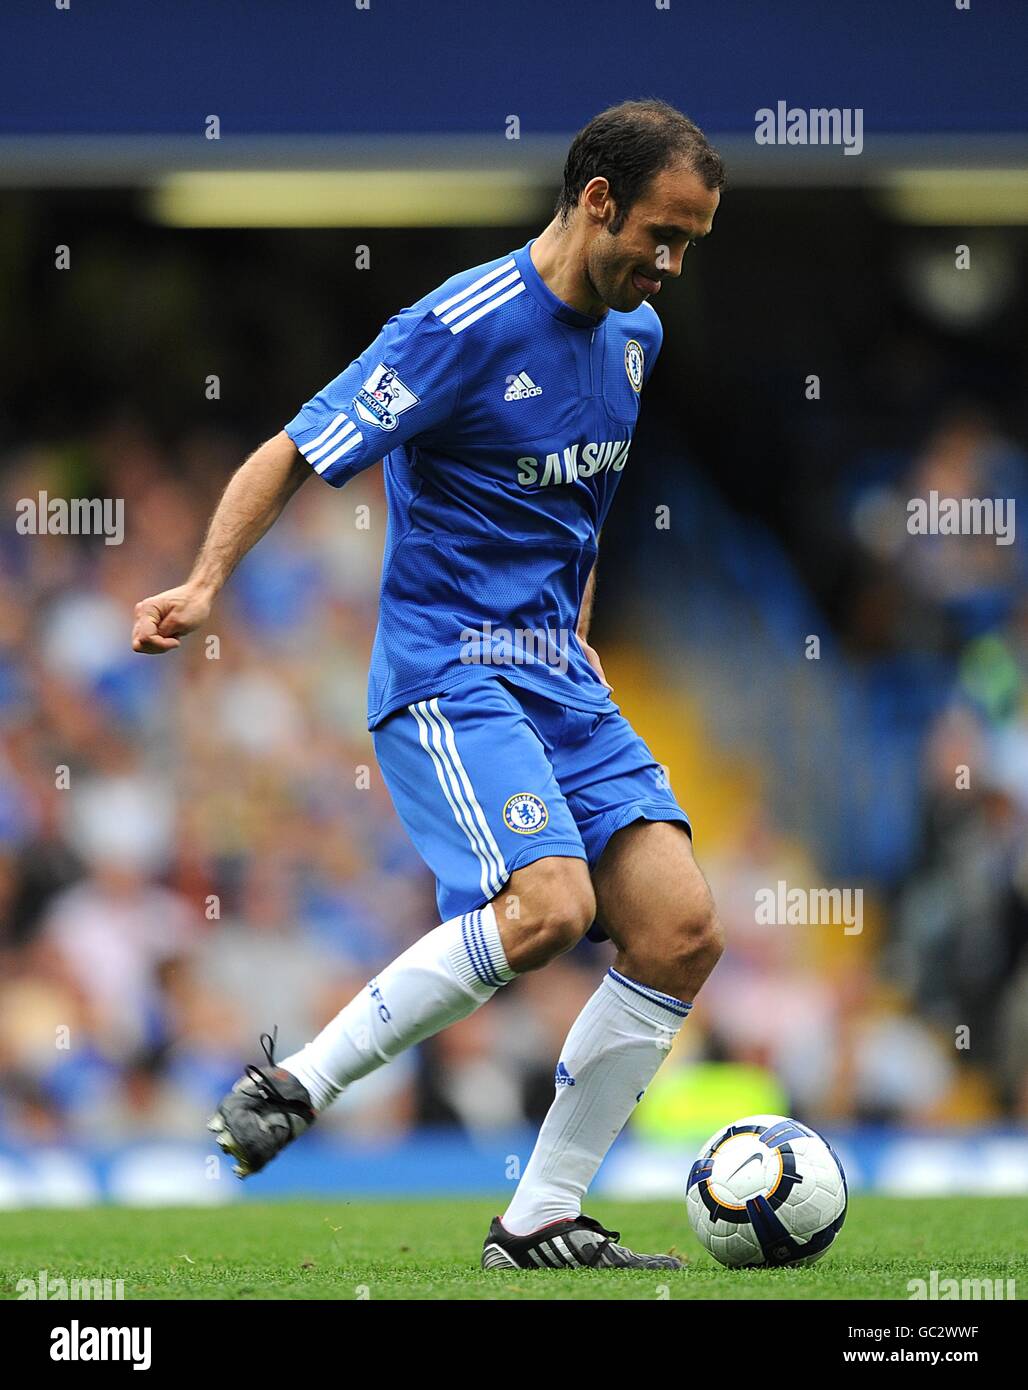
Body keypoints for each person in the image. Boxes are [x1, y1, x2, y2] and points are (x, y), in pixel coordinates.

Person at [131, 99, 726, 1271]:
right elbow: (294, 448)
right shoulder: (461, 323)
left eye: (690, 245)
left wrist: (582, 627)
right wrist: (203, 586)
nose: (667, 266)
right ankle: (299, 1083)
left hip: (559, 674)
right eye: (659, 234)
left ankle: (539, 1216)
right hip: (450, 668)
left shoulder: (635, 341)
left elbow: (577, 504)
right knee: (549, 905)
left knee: (680, 930)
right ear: (593, 200)